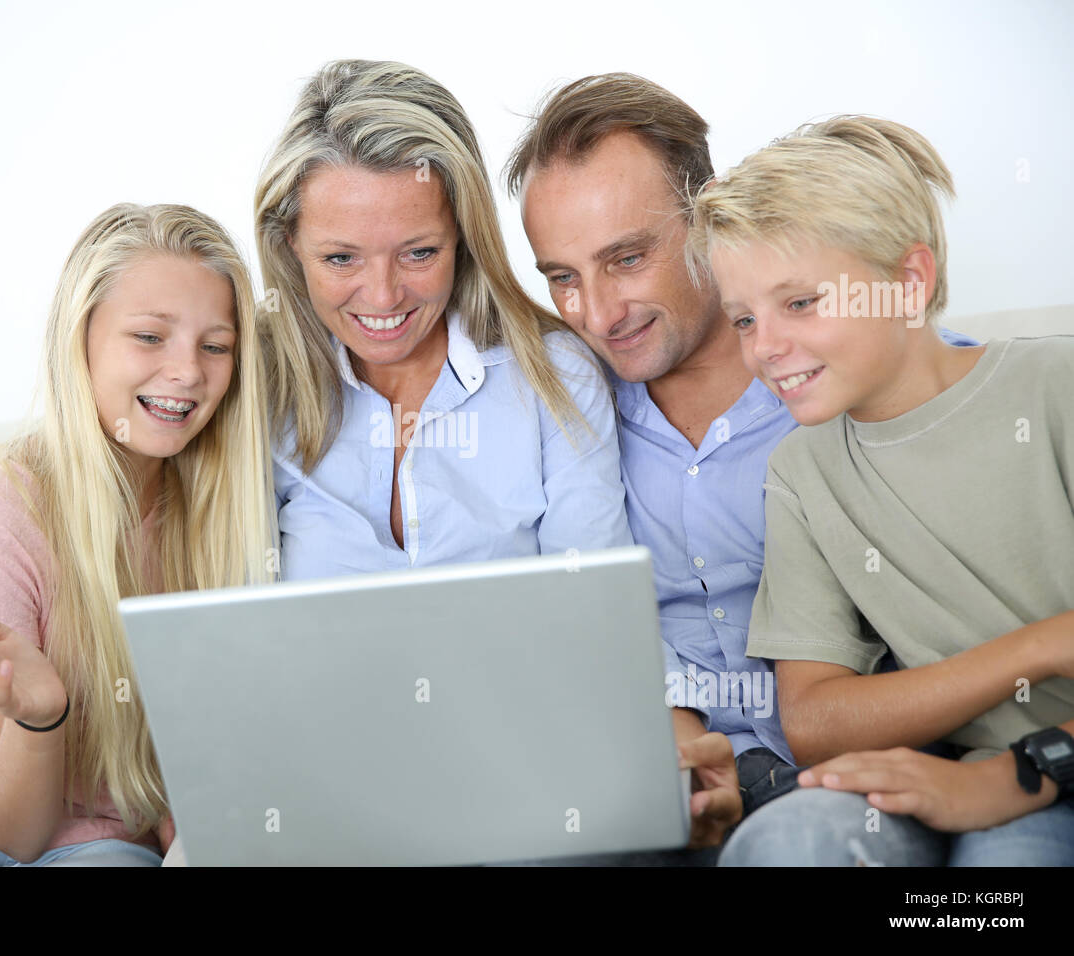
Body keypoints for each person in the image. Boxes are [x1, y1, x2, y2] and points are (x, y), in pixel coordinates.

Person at [506, 74, 977, 846]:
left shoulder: (859, 381)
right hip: (672, 781)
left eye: (626, 258)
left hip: (860, 789)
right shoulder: (565, 423)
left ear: (707, 215)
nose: (596, 312)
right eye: (562, 276)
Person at [685, 115, 1074, 865]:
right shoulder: (804, 472)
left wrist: (1025, 770)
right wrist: (1042, 647)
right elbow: (816, 720)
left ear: (909, 282)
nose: (763, 347)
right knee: (793, 842)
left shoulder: (1055, 390)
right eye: (743, 318)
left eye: (799, 303)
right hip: (970, 780)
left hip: (1037, 780)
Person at [0, 203, 275, 866]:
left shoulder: (230, 516)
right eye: (151, 337)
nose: (187, 370)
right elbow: (15, 830)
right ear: (82, 341)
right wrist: (40, 719)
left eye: (215, 346)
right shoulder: (9, 494)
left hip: (99, 842)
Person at [256, 59, 631, 582]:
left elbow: (597, 610)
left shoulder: (555, 378)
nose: (384, 297)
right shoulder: (255, 383)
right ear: (290, 242)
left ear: (464, 234)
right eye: (341, 259)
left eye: (419, 253)